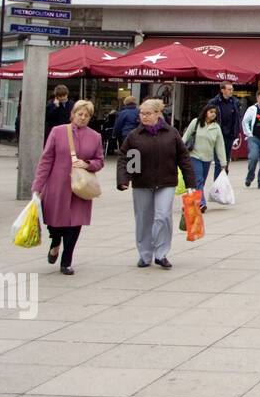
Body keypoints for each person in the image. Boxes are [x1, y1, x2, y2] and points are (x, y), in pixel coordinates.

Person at [116, 98, 195, 269]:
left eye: (148, 114)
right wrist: (125, 179)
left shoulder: (171, 133)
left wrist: (191, 183)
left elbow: (183, 158)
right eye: (142, 114)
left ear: (158, 114)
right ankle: (144, 254)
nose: (144, 117)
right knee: (144, 219)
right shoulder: (134, 136)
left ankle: (161, 253)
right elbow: (126, 158)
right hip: (142, 182)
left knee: (163, 216)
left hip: (166, 182)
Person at [31, 99, 104, 276]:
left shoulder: (95, 137)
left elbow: (99, 161)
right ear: (73, 115)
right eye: (80, 114)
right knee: (55, 223)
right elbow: (46, 160)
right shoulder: (57, 132)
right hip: (58, 185)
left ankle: (67, 261)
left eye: (86, 116)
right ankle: (55, 243)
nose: (83, 118)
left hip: (80, 188)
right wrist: (37, 187)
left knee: (75, 224)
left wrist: (87, 164)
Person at [183, 104, 228, 213]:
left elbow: (220, 145)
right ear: (205, 112)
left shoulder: (216, 127)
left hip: (207, 158)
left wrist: (223, 162)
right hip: (194, 156)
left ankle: (193, 200)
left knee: (200, 182)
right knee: (198, 179)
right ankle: (201, 203)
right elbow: (186, 136)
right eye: (211, 112)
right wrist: (178, 151)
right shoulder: (196, 122)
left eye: (215, 113)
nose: (213, 114)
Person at [207, 82, 244, 180]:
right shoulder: (215, 102)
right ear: (222, 90)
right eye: (229, 89)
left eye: (232, 89)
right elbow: (208, 116)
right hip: (218, 135)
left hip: (230, 135)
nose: (231, 91)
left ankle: (223, 182)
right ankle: (217, 185)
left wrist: (237, 129)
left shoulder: (234, 102)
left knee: (226, 161)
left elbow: (239, 116)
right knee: (219, 161)